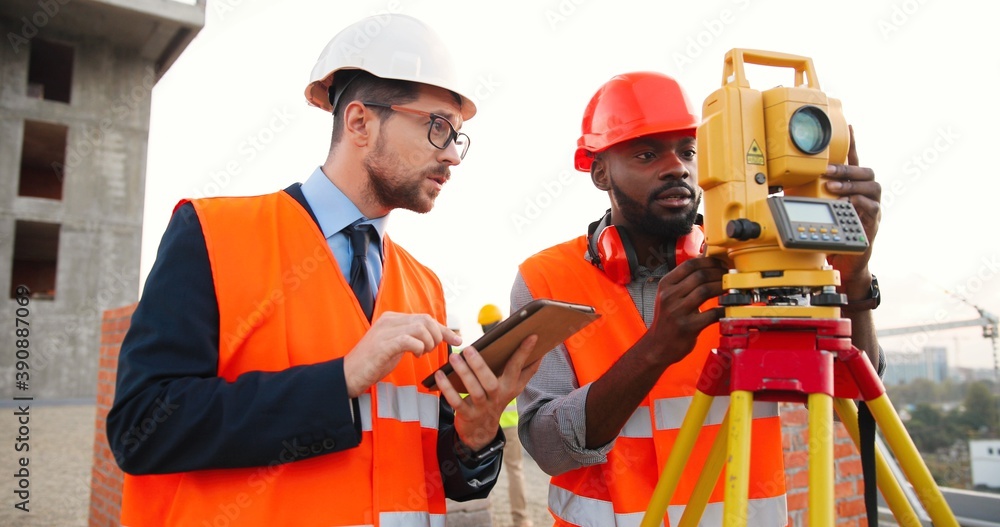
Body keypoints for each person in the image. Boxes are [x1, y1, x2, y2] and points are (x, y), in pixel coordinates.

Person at [107, 14, 540, 527]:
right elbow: (140, 429)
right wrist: (339, 382)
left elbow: (437, 472)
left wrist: (475, 437)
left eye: (457, 136)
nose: (452, 155)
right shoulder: (212, 233)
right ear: (359, 122)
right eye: (437, 127)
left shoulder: (425, 287)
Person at [513, 72, 884, 526]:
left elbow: (853, 383)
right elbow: (549, 448)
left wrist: (854, 273)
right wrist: (655, 349)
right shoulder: (546, 277)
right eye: (647, 153)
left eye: (688, 151)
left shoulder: (751, 259)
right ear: (599, 170)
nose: (677, 167)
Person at [479, 304, 534, 527]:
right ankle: (521, 521)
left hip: (486, 425)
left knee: (481, 474)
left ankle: (485, 516)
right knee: (515, 471)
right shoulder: (511, 349)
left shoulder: (481, 351)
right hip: (509, 425)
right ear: (500, 322)